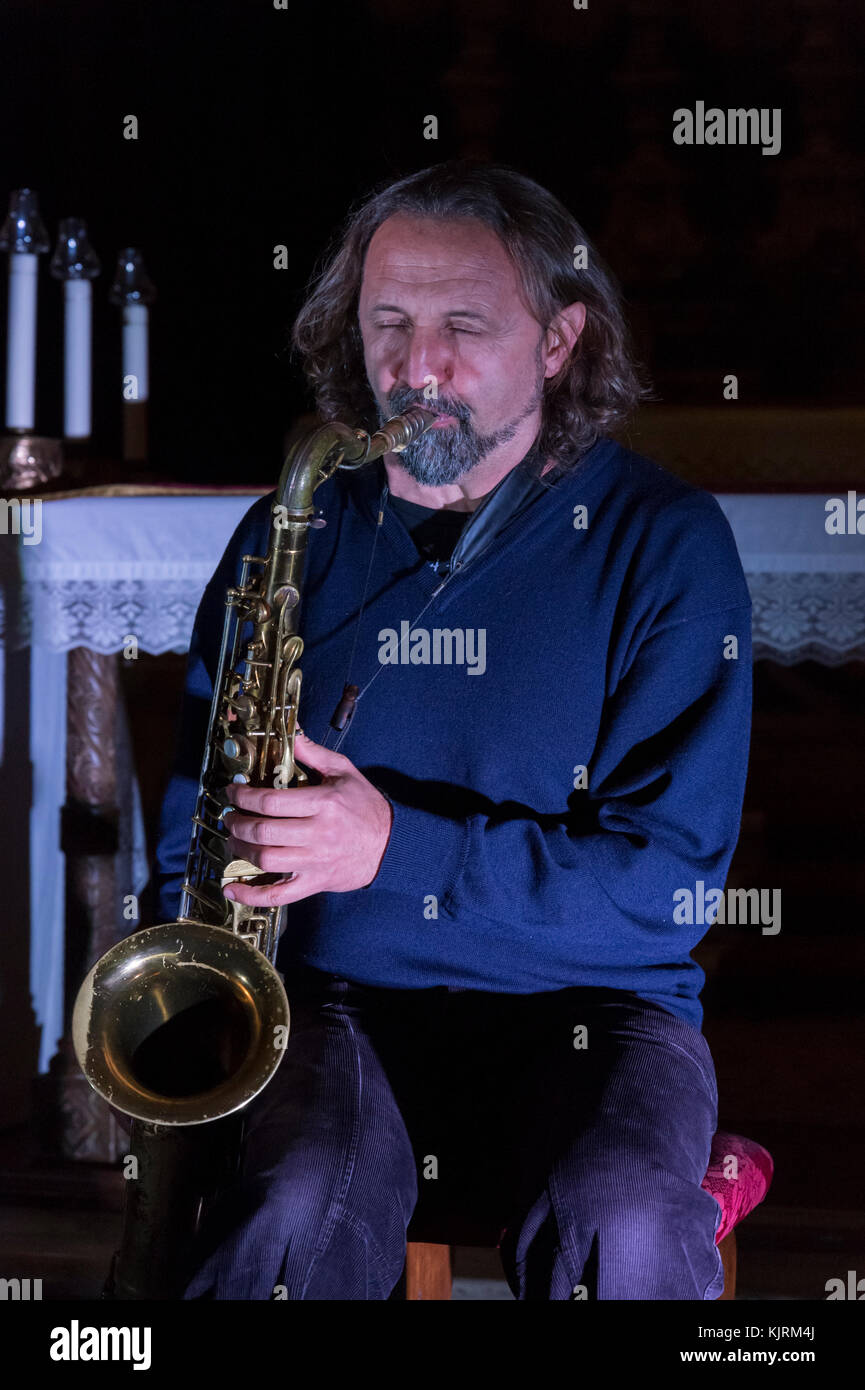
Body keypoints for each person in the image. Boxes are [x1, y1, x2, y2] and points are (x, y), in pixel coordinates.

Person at [154, 159, 752, 1300]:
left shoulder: (667, 545)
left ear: (559, 342)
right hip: (332, 1007)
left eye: (461, 327)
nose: (412, 368)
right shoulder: (295, 526)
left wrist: (395, 849)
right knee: (281, 1219)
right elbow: (195, 827)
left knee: (623, 1225)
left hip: (593, 1013)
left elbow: (662, 891)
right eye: (387, 323)